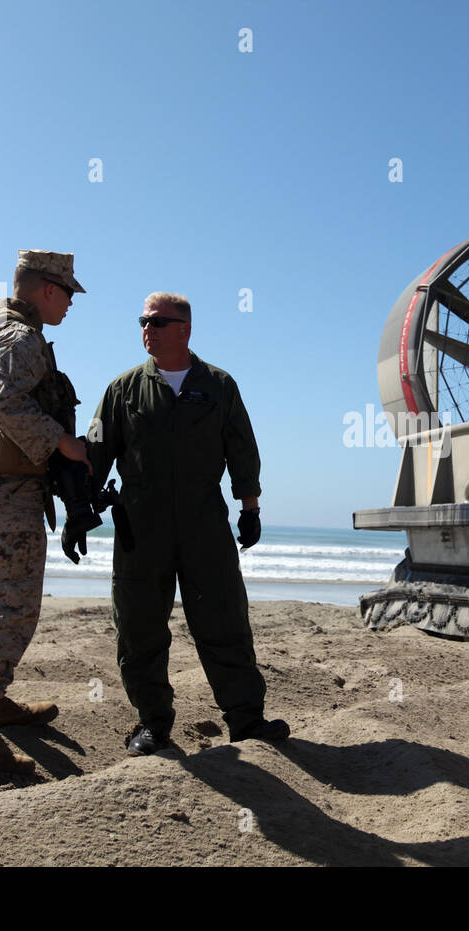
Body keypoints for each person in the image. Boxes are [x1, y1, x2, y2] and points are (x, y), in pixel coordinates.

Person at [83, 291, 288, 755]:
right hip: (140, 526)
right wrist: (80, 508)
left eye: (156, 322)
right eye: (142, 322)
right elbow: (96, 452)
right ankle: (153, 724)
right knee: (139, 627)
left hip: (204, 524)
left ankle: (246, 721)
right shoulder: (123, 389)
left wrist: (250, 507)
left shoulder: (218, 385)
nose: (146, 330)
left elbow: (242, 448)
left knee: (224, 620)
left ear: (184, 329)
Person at [0, 250, 90, 774]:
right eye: (68, 293)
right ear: (47, 288)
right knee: (11, 599)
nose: (71, 303)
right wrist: (63, 445)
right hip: (3, 479)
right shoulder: (21, 336)